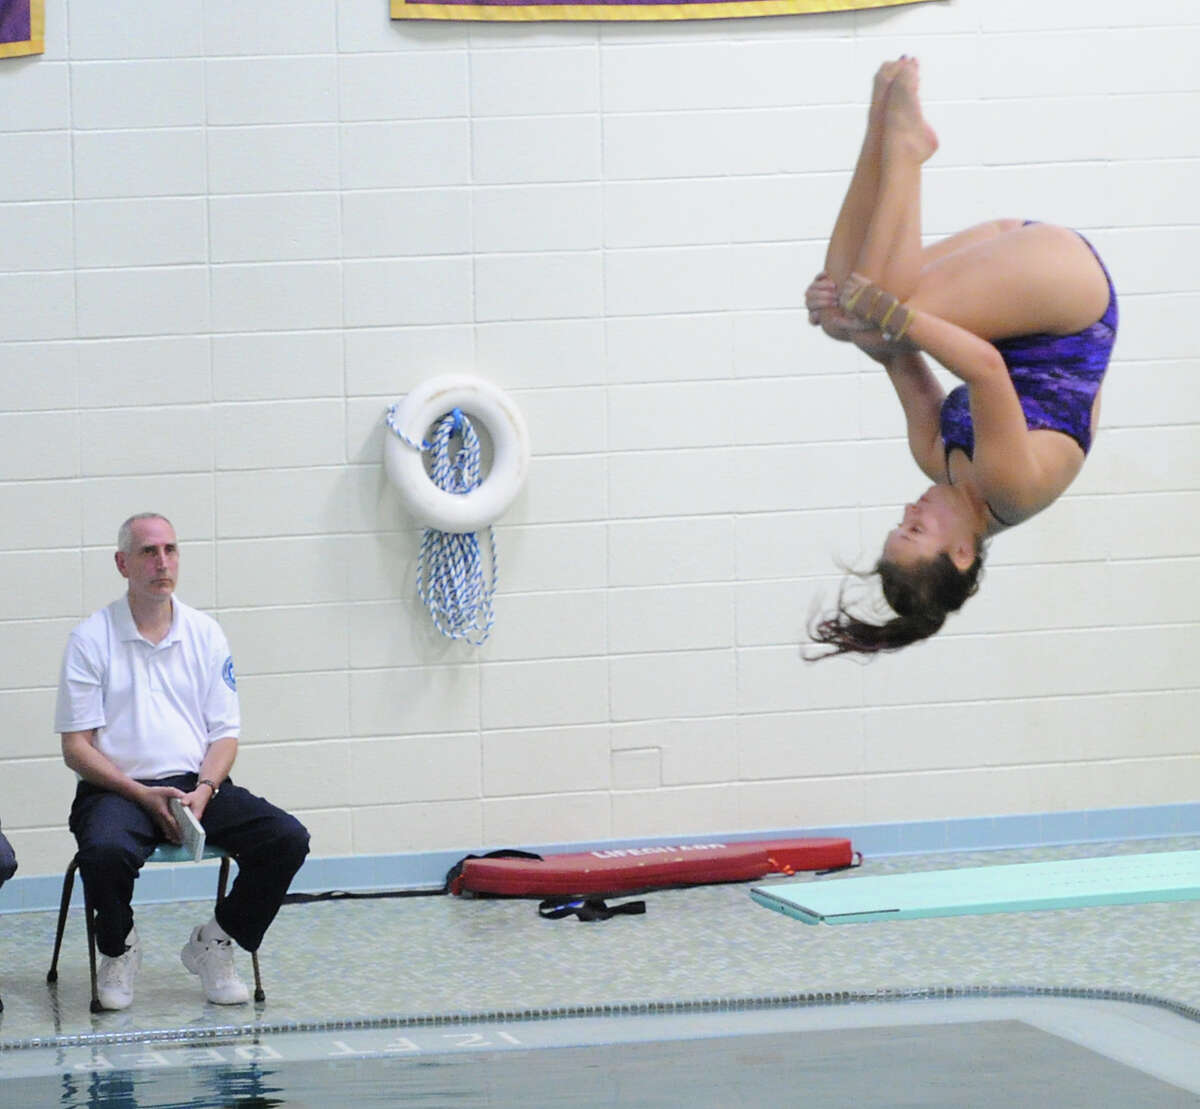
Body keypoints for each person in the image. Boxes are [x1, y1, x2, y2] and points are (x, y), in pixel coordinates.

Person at [805, 57, 1117, 657]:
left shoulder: (935, 458)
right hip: (1069, 295)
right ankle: (906, 153)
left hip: (1015, 268)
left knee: (851, 308)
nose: (908, 510)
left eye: (899, 524)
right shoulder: (1009, 489)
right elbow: (984, 368)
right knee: (883, 308)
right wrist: (888, 319)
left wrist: (832, 319)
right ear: (961, 551)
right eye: (915, 529)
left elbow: (892, 355)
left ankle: (881, 128)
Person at [54, 513, 310, 1011]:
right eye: (148, 552)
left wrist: (206, 790)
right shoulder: (90, 639)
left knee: (286, 838)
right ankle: (119, 948)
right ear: (122, 563)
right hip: (117, 789)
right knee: (103, 852)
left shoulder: (205, 633)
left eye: (170, 550)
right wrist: (141, 794)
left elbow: (225, 735)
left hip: (197, 785)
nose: (162, 562)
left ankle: (215, 940)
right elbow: (76, 748)